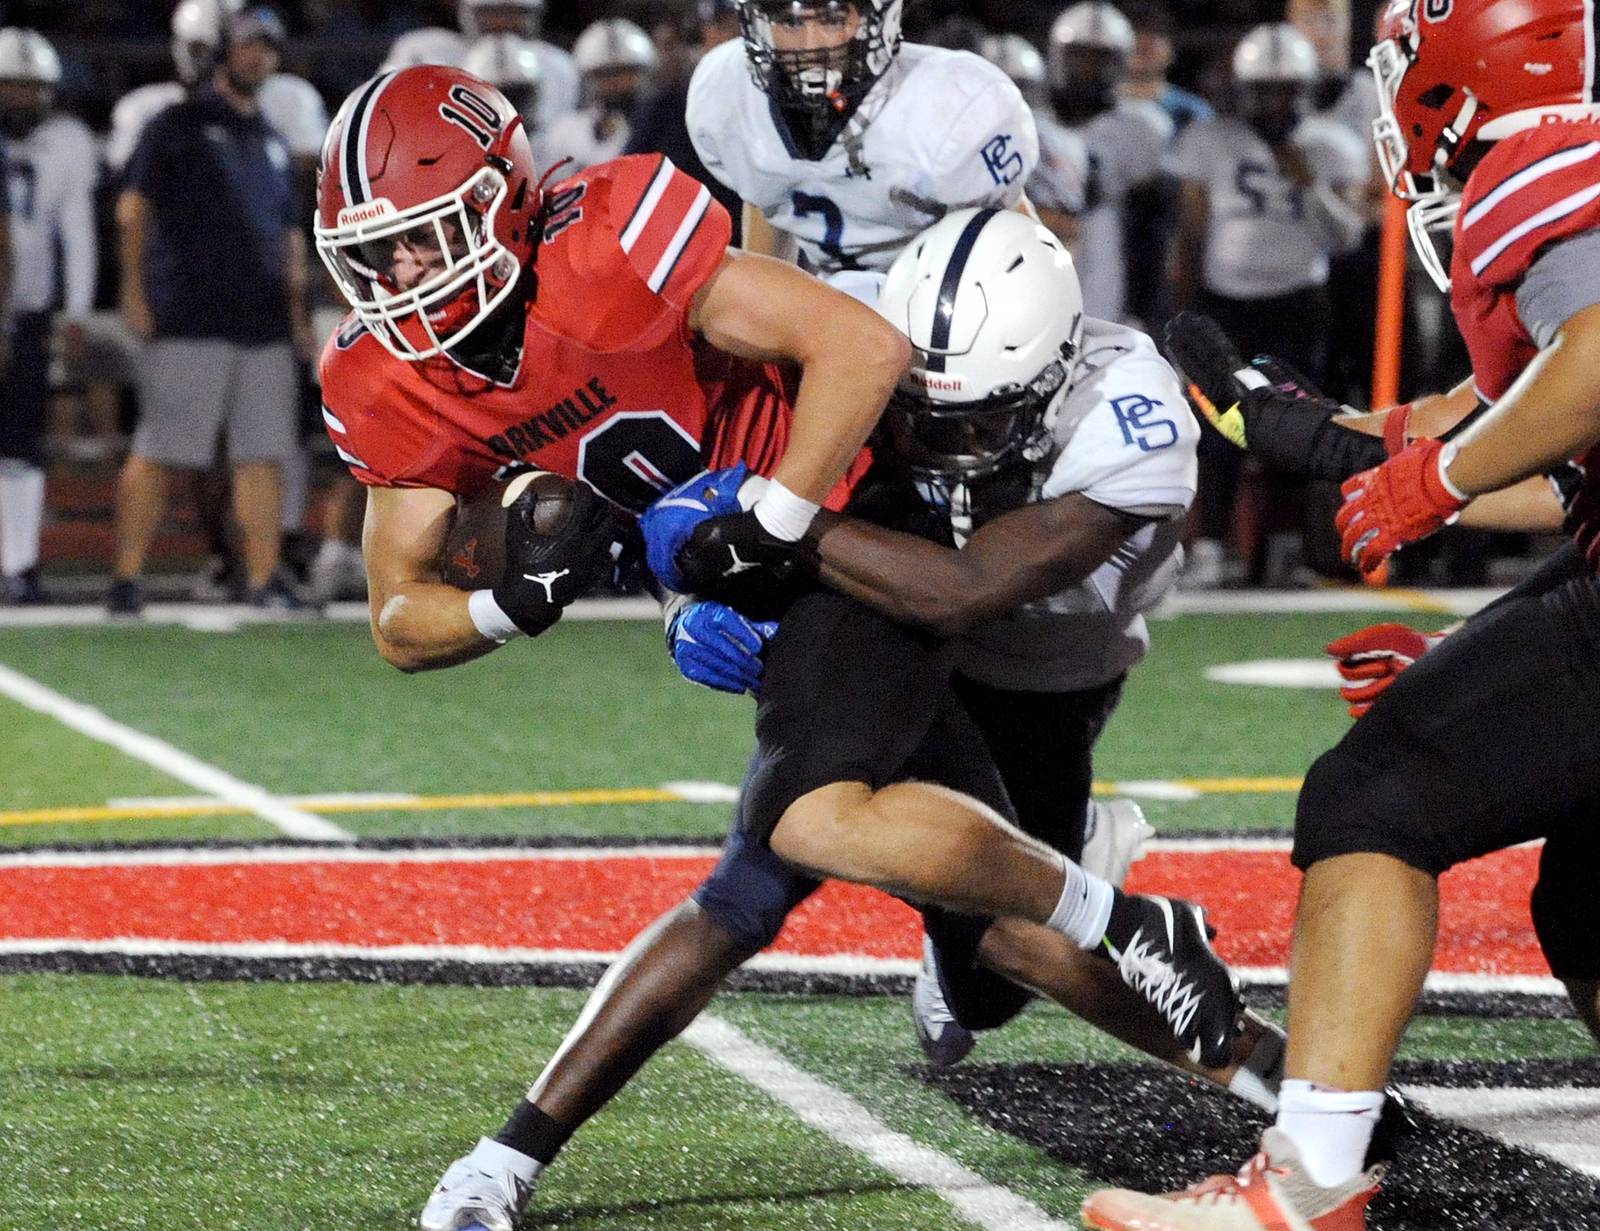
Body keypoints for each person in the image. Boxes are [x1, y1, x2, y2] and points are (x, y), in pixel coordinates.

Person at [417, 208, 1266, 1231]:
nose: (944, 445)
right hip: (875, 619)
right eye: (921, 414)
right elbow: (693, 472)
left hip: (1038, 674)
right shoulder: (865, 327)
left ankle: (1262, 1055)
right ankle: (505, 1154)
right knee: (753, 879)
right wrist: (699, 590)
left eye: (979, 424)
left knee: (1000, 966)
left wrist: (777, 527)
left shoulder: (1128, 421)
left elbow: (964, 587)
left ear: (1049, 380)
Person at [1082, 1, 1600, 1226]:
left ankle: (1304, 1186)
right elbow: (1543, 442)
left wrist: (1438, 483)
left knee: (1373, 795)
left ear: (1456, 80)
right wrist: (1294, 429)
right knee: (1585, 890)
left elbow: (1587, 371)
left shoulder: (1538, 172)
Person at [105, 6, 315, 615]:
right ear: (222, 51)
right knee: (162, 448)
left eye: (270, 51)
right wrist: (133, 291)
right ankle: (125, 578)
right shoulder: (177, 123)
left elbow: (288, 238)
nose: (261, 59)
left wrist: (297, 315)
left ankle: (264, 578)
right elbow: (133, 210)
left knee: (263, 453)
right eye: (250, 47)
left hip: (264, 321)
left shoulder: (271, 138)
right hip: (190, 313)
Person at [1168, 21, 1367, 589]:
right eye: (1265, 90)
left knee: (1294, 426)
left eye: (1285, 90)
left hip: (1297, 300)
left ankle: (1282, 549)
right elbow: (1192, 228)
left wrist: (1313, 187)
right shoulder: (1211, 139)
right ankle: (1208, 548)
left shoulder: (1332, 144)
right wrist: (1184, 303)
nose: (1274, 102)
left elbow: (1348, 238)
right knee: (1216, 429)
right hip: (1226, 299)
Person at [686, 0, 1038, 276]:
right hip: (824, 316)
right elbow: (766, 193)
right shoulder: (729, 92)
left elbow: (1017, 244)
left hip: (945, 316)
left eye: (832, 18)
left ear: (875, 18)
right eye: (790, 21)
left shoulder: (949, 107)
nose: (808, 46)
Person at [0, 29, 93, 605]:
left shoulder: (67, 143)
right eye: (13, 87)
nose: (24, 99)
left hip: (29, 310)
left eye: (34, 89)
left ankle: (21, 562)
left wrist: (77, 308)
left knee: (20, 444)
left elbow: (76, 229)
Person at [1044, 1, 1173, 323]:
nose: (1087, 70)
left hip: (1106, 255)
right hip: (1039, 237)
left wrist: (1143, 304)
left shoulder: (1144, 125)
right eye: (1079, 58)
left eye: (1098, 60)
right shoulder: (1031, 120)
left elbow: (1150, 229)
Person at [539, 18, 657, 173]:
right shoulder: (565, 132)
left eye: (625, 72)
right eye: (605, 74)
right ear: (588, 79)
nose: (616, 82)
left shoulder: (661, 126)